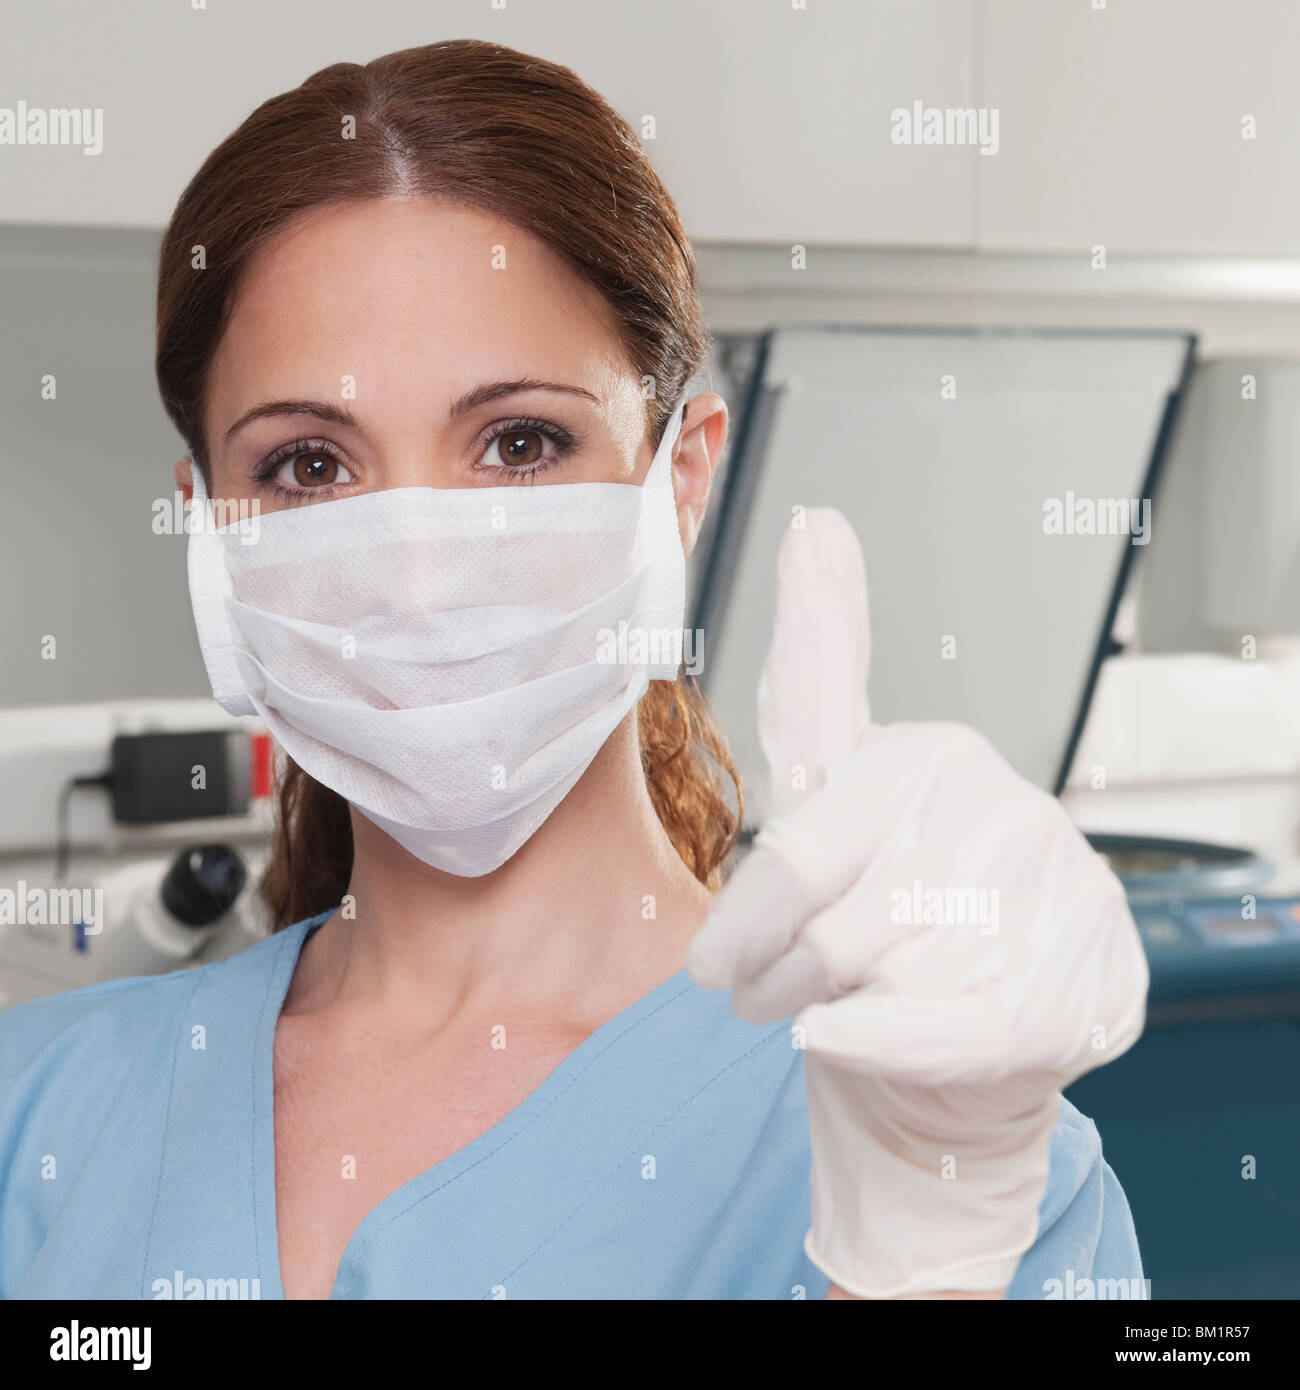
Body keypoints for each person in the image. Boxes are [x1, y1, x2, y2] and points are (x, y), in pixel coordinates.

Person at [0, 39, 1147, 1301]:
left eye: (520, 443)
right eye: (309, 467)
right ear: (208, 526)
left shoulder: (941, 1143)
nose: (419, 572)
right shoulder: (38, 1116)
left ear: (682, 479)